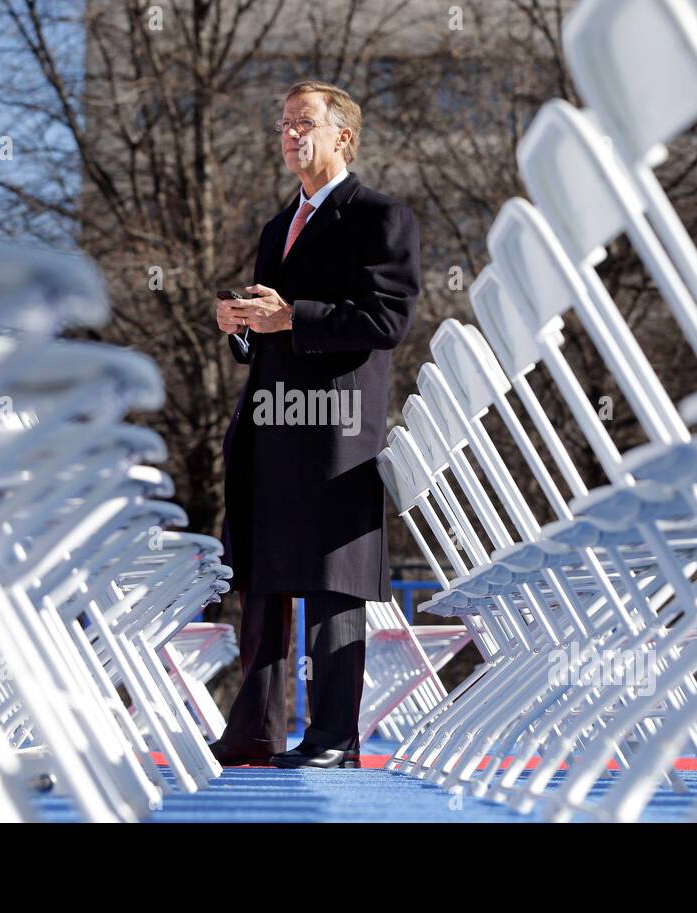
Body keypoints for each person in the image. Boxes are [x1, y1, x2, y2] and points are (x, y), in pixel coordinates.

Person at [209, 79, 420, 769]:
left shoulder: (380, 217)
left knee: (335, 585)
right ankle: (256, 730)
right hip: (273, 423)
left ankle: (333, 735)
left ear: (343, 137)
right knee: (265, 579)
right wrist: (243, 325)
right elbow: (268, 329)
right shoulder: (277, 227)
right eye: (282, 124)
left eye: (303, 123)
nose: (289, 134)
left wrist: (292, 316)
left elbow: (385, 320)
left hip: (337, 425)